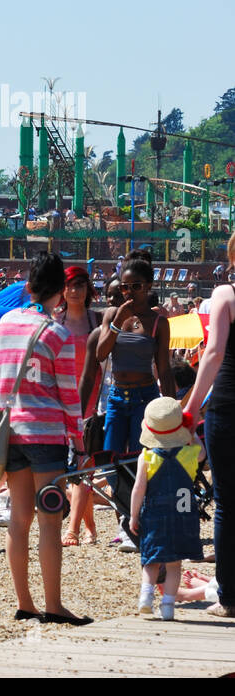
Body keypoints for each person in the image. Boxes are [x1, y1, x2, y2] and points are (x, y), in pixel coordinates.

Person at [0, 252, 89, 625]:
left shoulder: (5, 324)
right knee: (50, 521)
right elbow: (69, 395)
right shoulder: (58, 334)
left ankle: (24, 603)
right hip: (46, 435)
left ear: (29, 286)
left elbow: (0, 376)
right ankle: (54, 605)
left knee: (19, 520)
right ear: (62, 292)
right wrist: (79, 445)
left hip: (10, 432)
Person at [182, 232, 235, 617]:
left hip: (229, 405)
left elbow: (213, 353)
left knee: (228, 504)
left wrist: (192, 407)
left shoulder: (225, 295)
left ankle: (230, 598)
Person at [129, 398, 205, 621]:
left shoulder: (147, 457)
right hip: (183, 515)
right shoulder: (189, 455)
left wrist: (134, 515)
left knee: (151, 559)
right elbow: (201, 453)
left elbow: (138, 489)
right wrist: (191, 433)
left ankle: (145, 597)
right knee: (174, 564)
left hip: (155, 515)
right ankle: (169, 606)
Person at [93, 251, 174, 460]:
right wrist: (118, 322)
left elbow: (164, 369)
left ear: (148, 286)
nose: (129, 292)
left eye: (136, 286)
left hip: (145, 397)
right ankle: (121, 494)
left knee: (142, 459)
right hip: (117, 396)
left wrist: (173, 411)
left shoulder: (159, 323)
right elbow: (100, 354)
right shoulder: (112, 315)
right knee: (110, 460)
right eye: (124, 287)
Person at [55, 265, 101, 546]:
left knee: (85, 466)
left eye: (80, 285)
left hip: (91, 401)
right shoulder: (54, 321)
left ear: (88, 289)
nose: (74, 290)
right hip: (59, 401)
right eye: (70, 285)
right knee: (73, 468)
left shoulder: (97, 320)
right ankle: (90, 528)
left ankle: (72, 529)